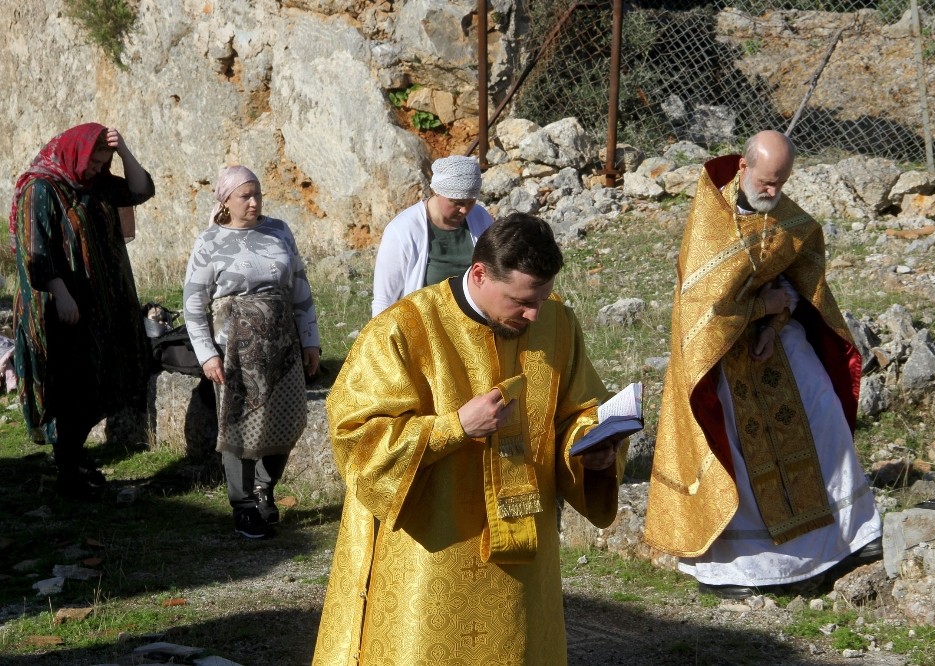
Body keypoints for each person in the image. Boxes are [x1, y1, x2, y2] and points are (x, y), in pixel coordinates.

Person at [312, 213, 628, 665]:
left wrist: (592, 451)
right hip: (432, 551)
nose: (534, 314)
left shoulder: (556, 322)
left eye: (540, 298)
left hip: (525, 554)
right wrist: (454, 427)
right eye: (520, 300)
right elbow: (356, 437)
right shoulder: (404, 329)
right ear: (479, 273)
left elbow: (580, 411)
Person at [643, 130, 882, 599]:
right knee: (735, 444)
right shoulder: (713, 223)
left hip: (772, 340)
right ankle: (738, 570)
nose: (772, 192)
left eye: (781, 182)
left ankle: (849, 538)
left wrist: (775, 322)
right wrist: (760, 309)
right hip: (718, 357)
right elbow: (702, 311)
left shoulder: (788, 220)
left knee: (824, 411)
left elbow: (799, 285)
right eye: (766, 182)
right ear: (744, 168)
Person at [9, 123, 155, 499]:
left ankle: (73, 461)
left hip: (100, 303)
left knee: (97, 379)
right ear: (75, 154)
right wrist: (62, 294)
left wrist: (122, 150)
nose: (96, 169)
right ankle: (69, 470)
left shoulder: (96, 185)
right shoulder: (40, 189)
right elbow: (33, 251)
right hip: (61, 305)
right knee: (69, 382)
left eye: (103, 163)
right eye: (94, 162)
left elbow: (140, 190)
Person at [183, 165, 320, 539]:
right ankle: (242, 504)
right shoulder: (210, 242)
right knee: (239, 425)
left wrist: (310, 340)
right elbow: (193, 304)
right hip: (233, 351)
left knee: (290, 419)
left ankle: (264, 488)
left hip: (282, 345)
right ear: (225, 201)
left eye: (258, 194)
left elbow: (300, 287)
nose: (255, 202)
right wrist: (207, 354)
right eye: (246, 196)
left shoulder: (278, 230)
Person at [370, 154, 493, 316]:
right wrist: (381, 338)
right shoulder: (402, 230)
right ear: (437, 191)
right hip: (424, 326)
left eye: (470, 202)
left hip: (471, 327)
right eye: (456, 202)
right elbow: (384, 298)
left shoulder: (481, 219)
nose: (464, 210)